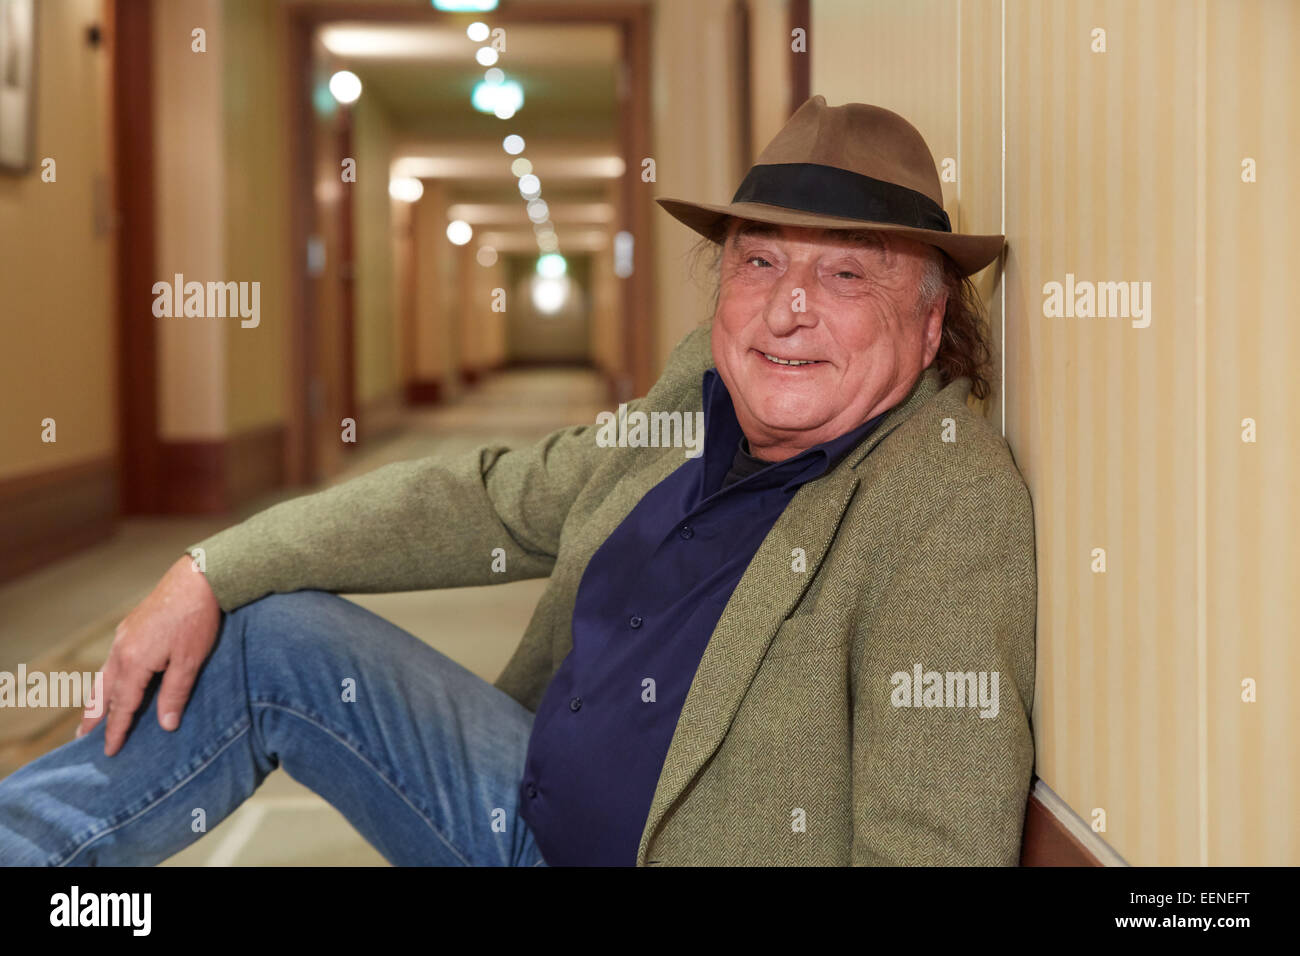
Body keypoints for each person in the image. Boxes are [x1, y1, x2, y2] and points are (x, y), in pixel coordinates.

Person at [0, 96, 1036, 866]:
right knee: (270, 634)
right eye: (759, 262)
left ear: (931, 319)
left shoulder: (941, 497)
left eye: (846, 273)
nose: (786, 308)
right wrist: (207, 564)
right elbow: (490, 497)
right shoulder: (698, 397)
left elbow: (930, 846)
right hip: (520, 802)